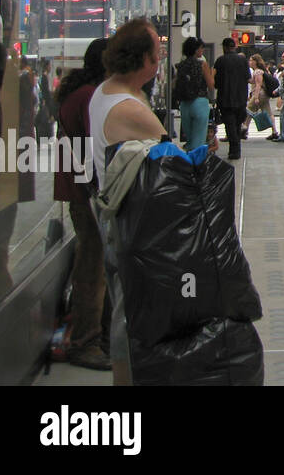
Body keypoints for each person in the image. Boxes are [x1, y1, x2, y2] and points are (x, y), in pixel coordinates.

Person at [90, 19, 171, 386]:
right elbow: (176, 157)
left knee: (125, 303)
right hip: (130, 220)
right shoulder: (129, 107)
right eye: (155, 56)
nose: (158, 62)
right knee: (129, 310)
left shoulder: (106, 91)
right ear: (141, 60)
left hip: (112, 211)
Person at [54, 37, 111, 371]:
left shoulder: (81, 92)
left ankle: (90, 334)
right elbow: (99, 146)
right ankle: (85, 341)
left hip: (79, 188)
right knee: (93, 268)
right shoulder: (90, 96)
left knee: (92, 263)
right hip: (86, 191)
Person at [213, 38, 251, 160]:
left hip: (225, 99)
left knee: (229, 125)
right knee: (237, 124)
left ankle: (234, 150)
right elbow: (248, 78)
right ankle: (236, 149)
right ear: (234, 47)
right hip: (240, 98)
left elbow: (216, 82)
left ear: (224, 47)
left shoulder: (220, 61)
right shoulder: (242, 60)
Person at [174, 38, 213, 151]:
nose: (202, 50)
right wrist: (213, 74)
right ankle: (196, 165)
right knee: (199, 140)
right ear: (196, 50)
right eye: (201, 48)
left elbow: (175, 83)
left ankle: (189, 162)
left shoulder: (181, 65)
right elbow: (211, 85)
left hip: (185, 104)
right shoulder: (202, 64)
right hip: (200, 102)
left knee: (190, 139)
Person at [246, 54, 273, 134]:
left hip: (259, 94)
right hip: (264, 95)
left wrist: (256, 97)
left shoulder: (257, 71)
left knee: (248, 110)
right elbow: (253, 81)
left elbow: (258, 85)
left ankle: (244, 129)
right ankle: (274, 131)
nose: (249, 62)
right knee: (269, 113)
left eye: (251, 60)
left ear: (255, 61)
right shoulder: (261, 71)